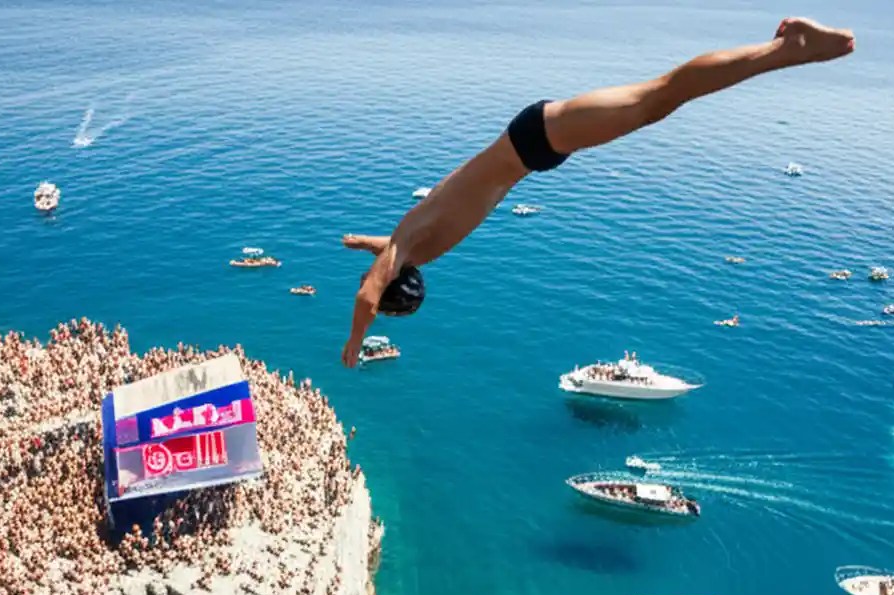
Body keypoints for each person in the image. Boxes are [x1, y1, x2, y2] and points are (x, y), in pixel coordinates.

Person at [341, 17, 855, 367]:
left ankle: (788, 50)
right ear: (392, 276)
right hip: (535, 141)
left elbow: (371, 293)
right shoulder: (404, 245)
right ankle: (785, 51)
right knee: (661, 95)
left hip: (535, 141)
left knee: (663, 95)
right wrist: (357, 311)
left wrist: (354, 346)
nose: (367, 280)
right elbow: (371, 287)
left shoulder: (408, 247)